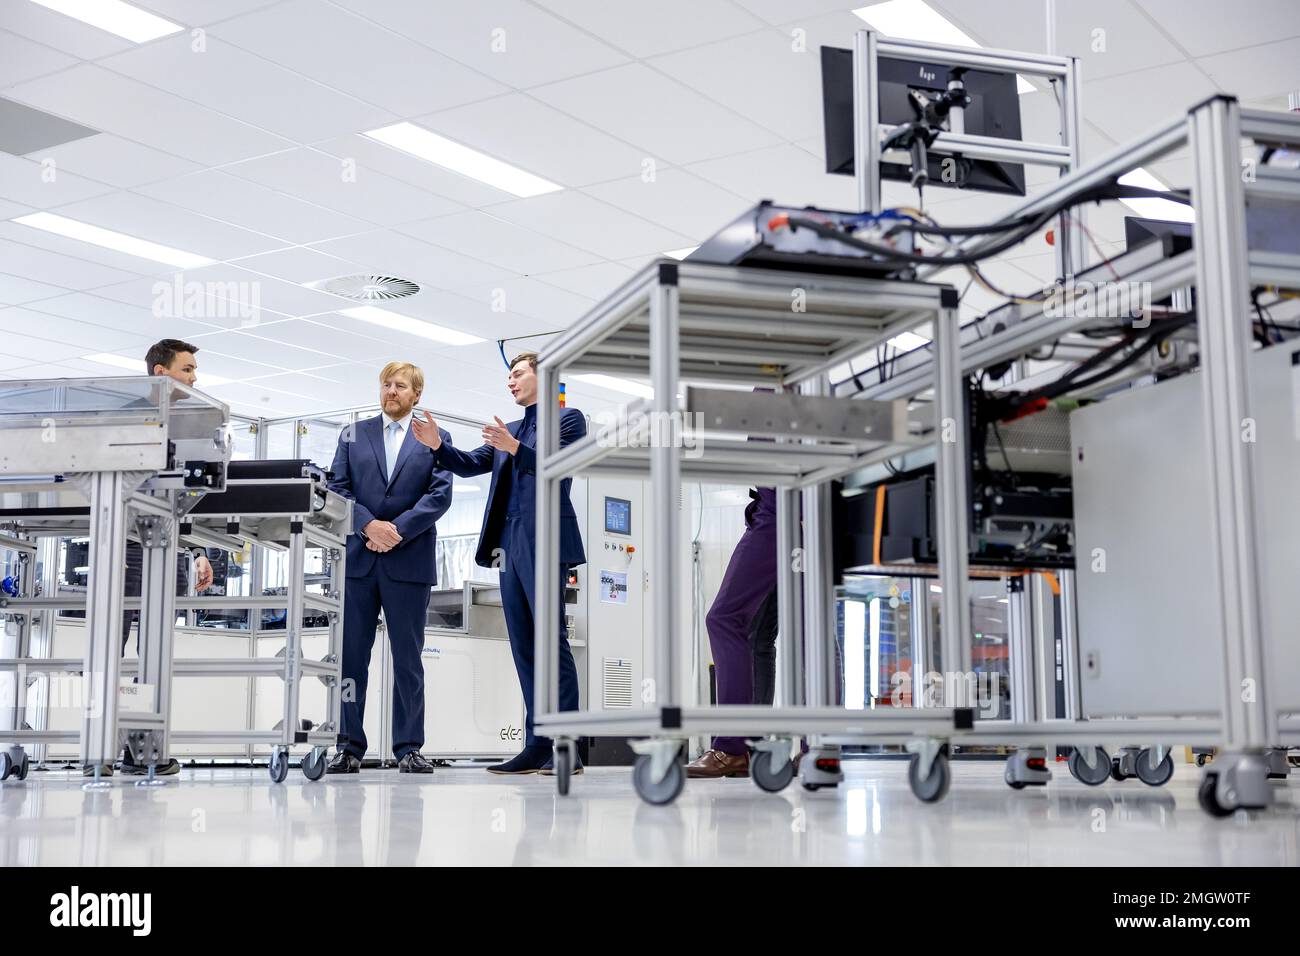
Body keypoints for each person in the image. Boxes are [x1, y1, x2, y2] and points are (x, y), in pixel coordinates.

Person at [411, 352, 584, 776]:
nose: (511, 382)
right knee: (525, 649)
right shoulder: (513, 427)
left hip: (544, 541)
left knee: (550, 644)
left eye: (518, 373)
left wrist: (515, 448)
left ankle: (568, 748)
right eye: (509, 376)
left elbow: (558, 467)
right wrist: (438, 445)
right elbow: (471, 464)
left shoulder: (569, 419)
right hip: (509, 545)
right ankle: (536, 744)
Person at [85, 339, 214, 778]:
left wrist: (196, 550)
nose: (195, 378)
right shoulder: (126, 418)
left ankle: (141, 748)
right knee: (112, 651)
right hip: (127, 547)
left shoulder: (191, 423)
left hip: (168, 547)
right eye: (188, 369)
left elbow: (190, 492)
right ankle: (101, 746)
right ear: (161, 372)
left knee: (153, 656)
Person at [325, 362, 452, 774]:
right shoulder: (353, 435)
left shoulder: (436, 438)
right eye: (386, 384)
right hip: (359, 561)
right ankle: (347, 746)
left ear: (417, 394)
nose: (391, 391)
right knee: (351, 660)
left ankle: (409, 746)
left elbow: (440, 495)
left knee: (408, 660)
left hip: (409, 561)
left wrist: (396, 530)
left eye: (400, 386)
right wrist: (367, 525)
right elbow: (336, 488)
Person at [687, 487, 778, 778]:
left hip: (781, 511)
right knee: (763, 637)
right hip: (796, 509)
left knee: (724, 618)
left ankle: (732, 748)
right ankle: (809, 747)